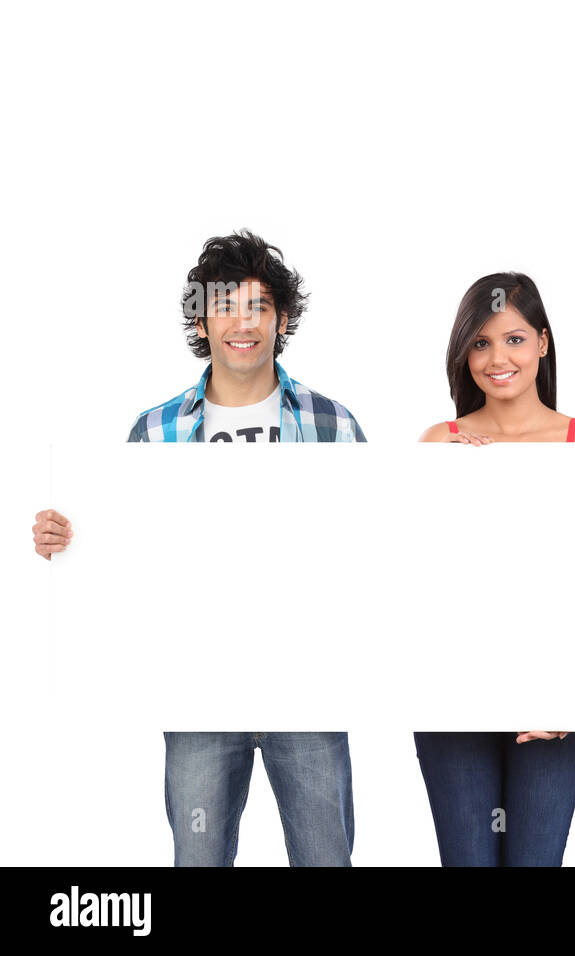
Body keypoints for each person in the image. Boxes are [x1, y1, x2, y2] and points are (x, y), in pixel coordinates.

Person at [32, 231, 362, 866]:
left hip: (307, 684)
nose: (243, 323)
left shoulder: (333, 425)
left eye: (259, 306)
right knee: (198, 860)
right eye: (225, 305)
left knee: (328, 860)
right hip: (197, 687)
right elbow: (123, 554)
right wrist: (69, 542)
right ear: (201, 319)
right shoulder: (155, 432)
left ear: (282, 319)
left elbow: (375, 546)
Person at [414, 272, 575, 866]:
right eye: (481, 343)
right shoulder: (438, 443)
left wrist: (568, 690)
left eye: (515, 340)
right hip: (454, 691)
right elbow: (417, 583)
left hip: (553, 697)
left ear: (543, 343)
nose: (498, 358)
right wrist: (435, 481)